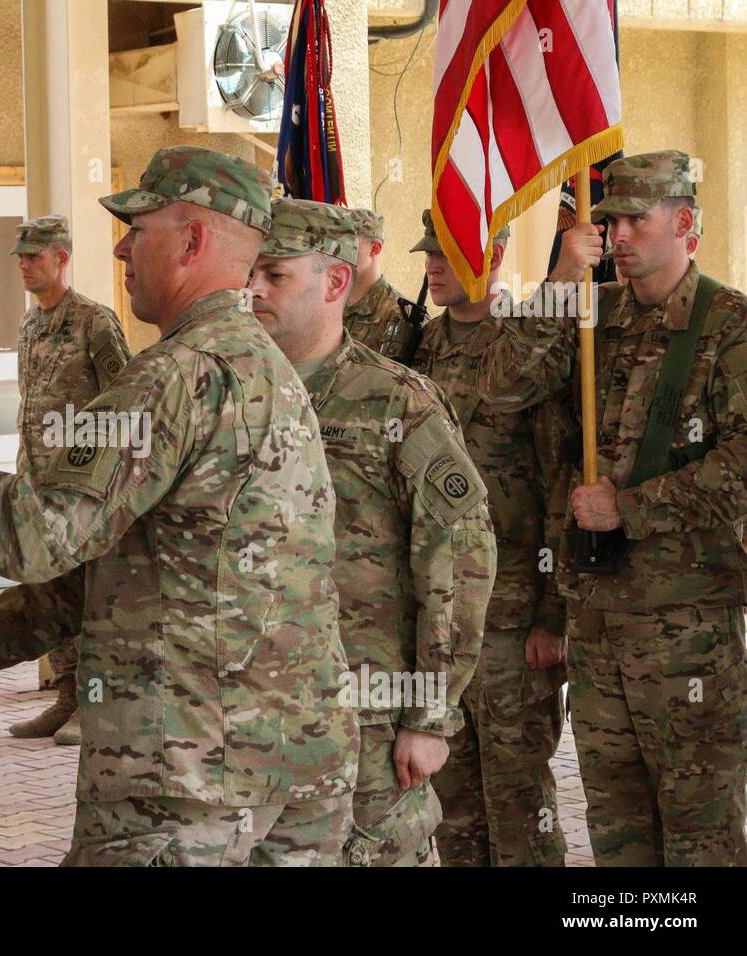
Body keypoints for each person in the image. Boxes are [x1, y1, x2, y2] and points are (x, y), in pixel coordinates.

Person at [0, 146, 358, 866]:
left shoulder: (178, 377)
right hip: (289, 761)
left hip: (183, 774)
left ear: (193, 239)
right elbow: (115, 566)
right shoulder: (271, 370)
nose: (119, 247)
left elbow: (36, 534)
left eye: (138, 229)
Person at [478, 150, 747, 866]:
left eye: (636, 218)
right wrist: (563, 281)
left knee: (702, 834)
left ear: (684, 223)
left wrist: (632, 507)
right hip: (596, 625)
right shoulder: (593, 317)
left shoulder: (731, 328)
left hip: (689, 631)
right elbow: (504, 389)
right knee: (617, 830)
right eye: (609, 219)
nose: (617, 233)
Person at [249, 197, 496, 866]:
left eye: (273, 274)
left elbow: (460, 555)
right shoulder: (229, 394)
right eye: (249, 273)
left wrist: (431, 715)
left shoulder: (395, 401)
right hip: (249, 714)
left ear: (333, 283)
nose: (253, 290)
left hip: (369, 718)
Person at [409, 211, 570, 866]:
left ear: (497, 253)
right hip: (440, 619)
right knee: (451, 804)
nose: (434, 266)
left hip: (510, 619)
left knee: (518, 799)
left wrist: (552, 614)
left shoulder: (524, 349)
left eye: (450, 252)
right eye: (429, 253)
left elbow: (559, 480)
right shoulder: (420, 349)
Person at [6, 213, 131, 746]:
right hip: (37, 484)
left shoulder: (94, 323)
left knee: (89, 599)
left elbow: (124, 400)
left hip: (82, 489)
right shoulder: (30, 326)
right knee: (49, 591)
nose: (25, 266)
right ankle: (64, 698)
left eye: (35, 256)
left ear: (62, 258)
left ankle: (95, 706)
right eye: (21, 257)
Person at [342, 208, 419, 362]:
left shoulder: (400, 314)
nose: (338, 252)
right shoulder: (329, 304)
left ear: (375, 248)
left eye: (348, 245)